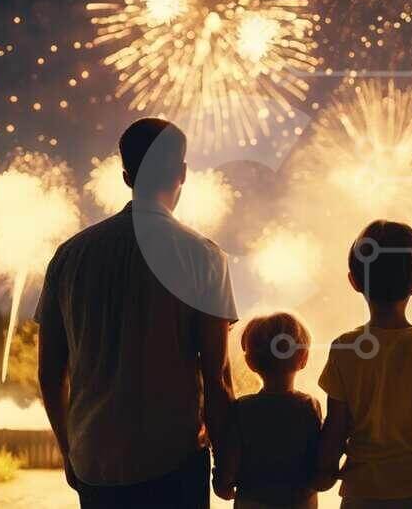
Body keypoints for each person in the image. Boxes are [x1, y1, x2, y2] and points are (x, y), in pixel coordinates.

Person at [36, 118, 238, 508]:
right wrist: (226, 458)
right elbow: (216, 376)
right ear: (182, 173)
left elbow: (49, 374)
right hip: (174, 462)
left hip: (95, 462)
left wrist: (68, 450)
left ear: (126, 176)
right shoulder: (203, 256)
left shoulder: (69, 257)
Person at [316, 220, 412, 509]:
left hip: (361, 491)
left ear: (354, 280)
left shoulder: (343, 348)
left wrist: (323, 473)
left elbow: (336, 427)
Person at [214, 312, 322, 508]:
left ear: (250, 363)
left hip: (253, 501)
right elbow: (319, 459)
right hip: (298, 501)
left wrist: (224, 484)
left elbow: (231, 459)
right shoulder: (308, 406)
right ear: (303, 358)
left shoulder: (242, 409)